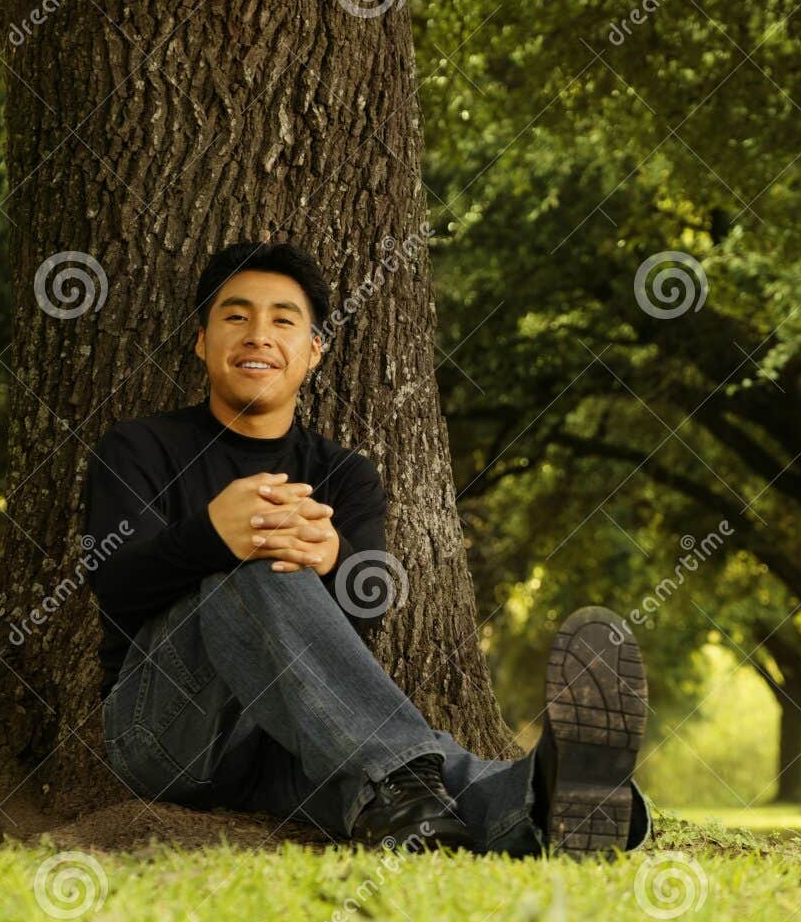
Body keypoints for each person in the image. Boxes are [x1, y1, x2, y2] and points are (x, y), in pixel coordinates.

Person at [81, 241, 651, 855]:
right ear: (202, 340)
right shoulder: (138, 448)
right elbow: (113, 585)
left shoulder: (344, 474)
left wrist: (334, 560)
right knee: (256, 572)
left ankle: (551, 798)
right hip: (165, 730)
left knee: (399, 790)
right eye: (236, 316)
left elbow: (367, 613)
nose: (258, 335)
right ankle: (403, 774)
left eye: (283, 320)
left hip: (295, 736)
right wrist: (212, 535)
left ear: (313, 350)